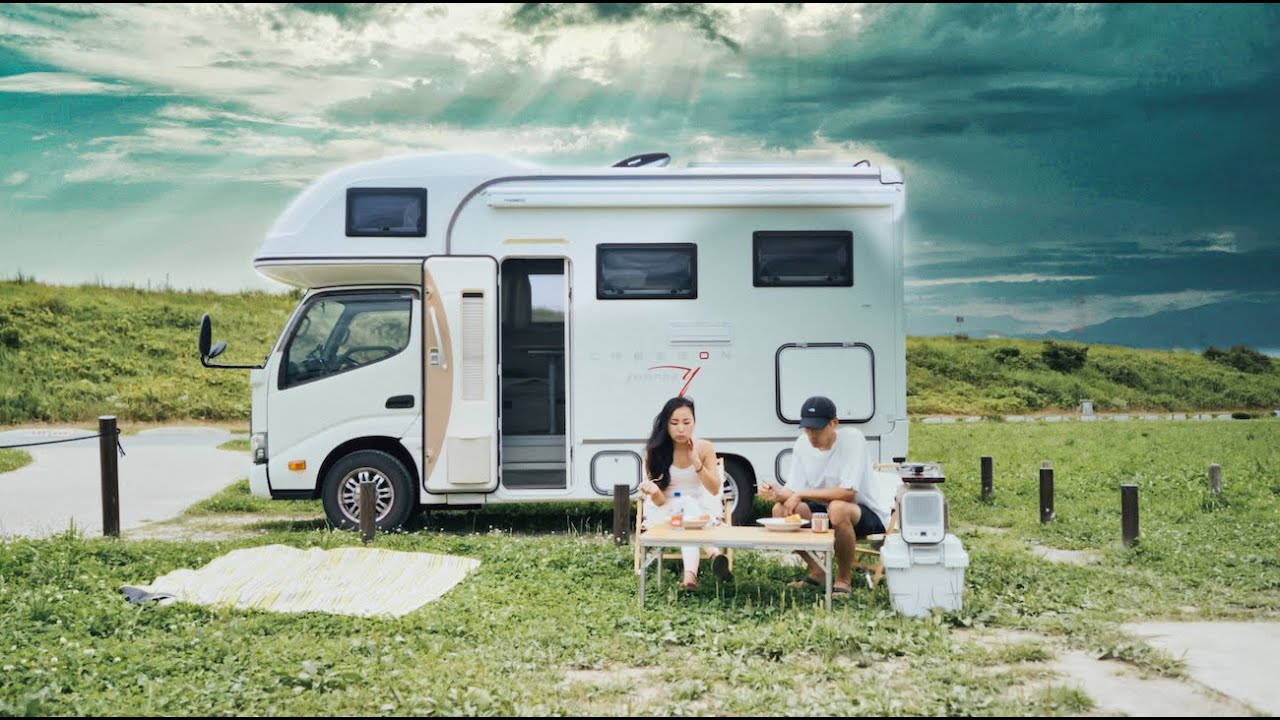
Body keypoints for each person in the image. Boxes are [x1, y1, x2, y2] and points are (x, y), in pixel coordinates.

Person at [759, 395, 894, 595]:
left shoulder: (852, 439)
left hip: (864, 512)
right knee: (780, 510)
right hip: (825, 512)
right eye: (807, 428)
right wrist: (776, 493)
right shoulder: (802, 444)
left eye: (817, 428)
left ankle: (843, 578)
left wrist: (801, 494)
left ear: (834, 423)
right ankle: (818, 571)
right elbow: (792, 489)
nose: (811, 434)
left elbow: (847, 493)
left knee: (837, 508)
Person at [638, 396, 733, 590]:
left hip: (699, 509)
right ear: (666, 424)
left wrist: (696, 462)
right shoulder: (656, 452)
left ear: (694, 423)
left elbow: (714, 489)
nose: (681, 428)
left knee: (689, 513)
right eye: (674, 423)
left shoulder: (704, 448)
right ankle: (713, 554)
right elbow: (659, 500)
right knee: (685, 514)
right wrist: (654, 491)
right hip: (665, 509)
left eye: (686, 422)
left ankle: (690, 578)